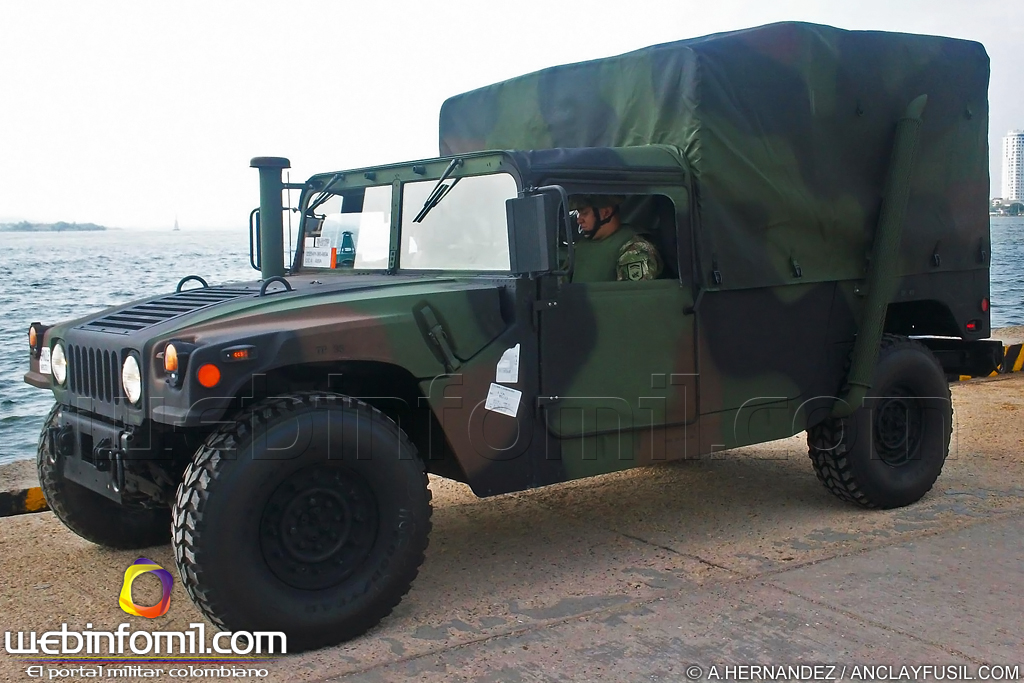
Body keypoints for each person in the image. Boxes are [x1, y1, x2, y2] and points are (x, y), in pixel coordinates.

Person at [568, 195, 663, 283]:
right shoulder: (580, 246)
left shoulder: (635, 248)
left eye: (584, 213)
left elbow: (632, 293)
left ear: (606, 212)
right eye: (579, 213)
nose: (579, 220)